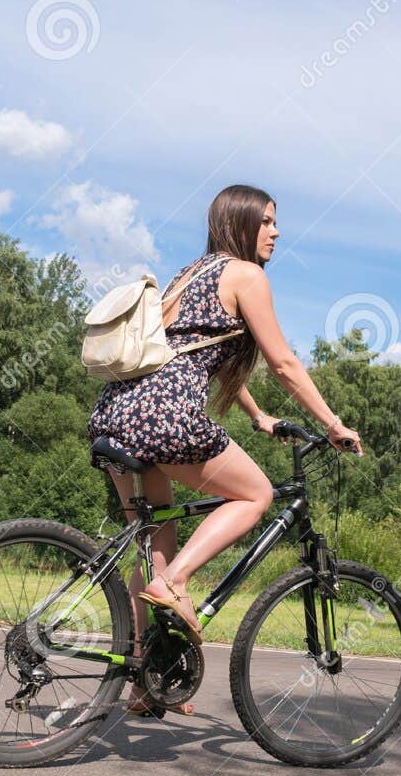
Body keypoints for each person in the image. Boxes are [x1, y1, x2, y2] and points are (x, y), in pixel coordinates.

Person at [86, 183, 363, 715]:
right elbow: (283, 363)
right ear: (240, 222)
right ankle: (178, 584)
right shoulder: (246, 275)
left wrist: (259, 417)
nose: (277, 232)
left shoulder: (191, 272)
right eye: (267, 221)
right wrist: (332, 424)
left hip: (117, 410)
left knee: (152, 538)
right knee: (255, 495)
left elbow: (201, 355)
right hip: (163, 415)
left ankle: (146, 680)